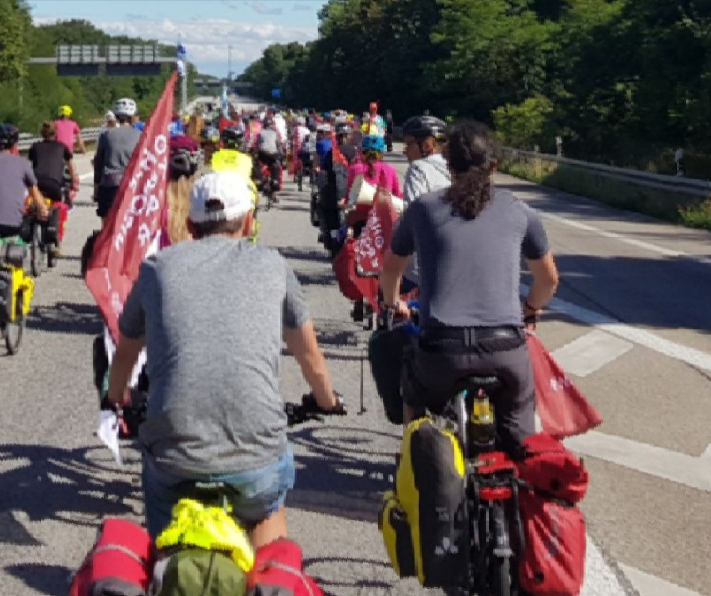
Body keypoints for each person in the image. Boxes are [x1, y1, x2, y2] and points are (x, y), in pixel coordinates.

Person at [106, 171, 345, 546]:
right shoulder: (273, 265)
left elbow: (124, 353)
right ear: (249, 222)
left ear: (189, 224)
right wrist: (327, 402)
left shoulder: (158, 268)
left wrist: (116, 397)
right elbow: (309, 354)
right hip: (256, 462)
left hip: (174, 460)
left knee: (162, 544)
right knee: (269, 529)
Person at [379, 121, 560, 457]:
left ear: (449, 167)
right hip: (505, 347)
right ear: (494, 166)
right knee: (521, 439)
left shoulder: (423, 209)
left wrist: (394, 303)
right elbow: (548, 280)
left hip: (442, 348)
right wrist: (530, 309)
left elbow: (391, 268)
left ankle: (413, 461)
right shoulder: (520, 211)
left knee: (415, 401)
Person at [0, 123, 48, 238]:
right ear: (15, 145)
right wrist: (43, 211)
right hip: (10, 227)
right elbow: (35, 195)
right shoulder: (22, 163)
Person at [92, 98, 142, 224]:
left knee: (107, 226)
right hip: (132, 186)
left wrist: (96, 189)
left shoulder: (106, 135)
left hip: (109, 186)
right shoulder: (141, 136)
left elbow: (99, 164)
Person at [400, 115, 451, 205]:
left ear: (428, 144)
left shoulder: (418, 169)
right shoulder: (457, 167)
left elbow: (413, 213)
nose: (405, 151)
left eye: (409, 144)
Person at [29, 121, 79, 205]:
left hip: (37, 184)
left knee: (30, 207)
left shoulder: (35, 146)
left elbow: (29, 166)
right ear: (56, 133)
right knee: (60, 207)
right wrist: (74, 182)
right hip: (54, 185)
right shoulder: (62, 146)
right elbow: (71, 166)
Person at [254, 116, 282, 190]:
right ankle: (275, 180)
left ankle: (258, 180)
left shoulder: (260, 133)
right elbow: (278, 144)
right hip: (273, 154)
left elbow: (258, 145)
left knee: (256, 163)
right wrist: (280, 153)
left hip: (263, 154)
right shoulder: (275, 133)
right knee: (276, 165)